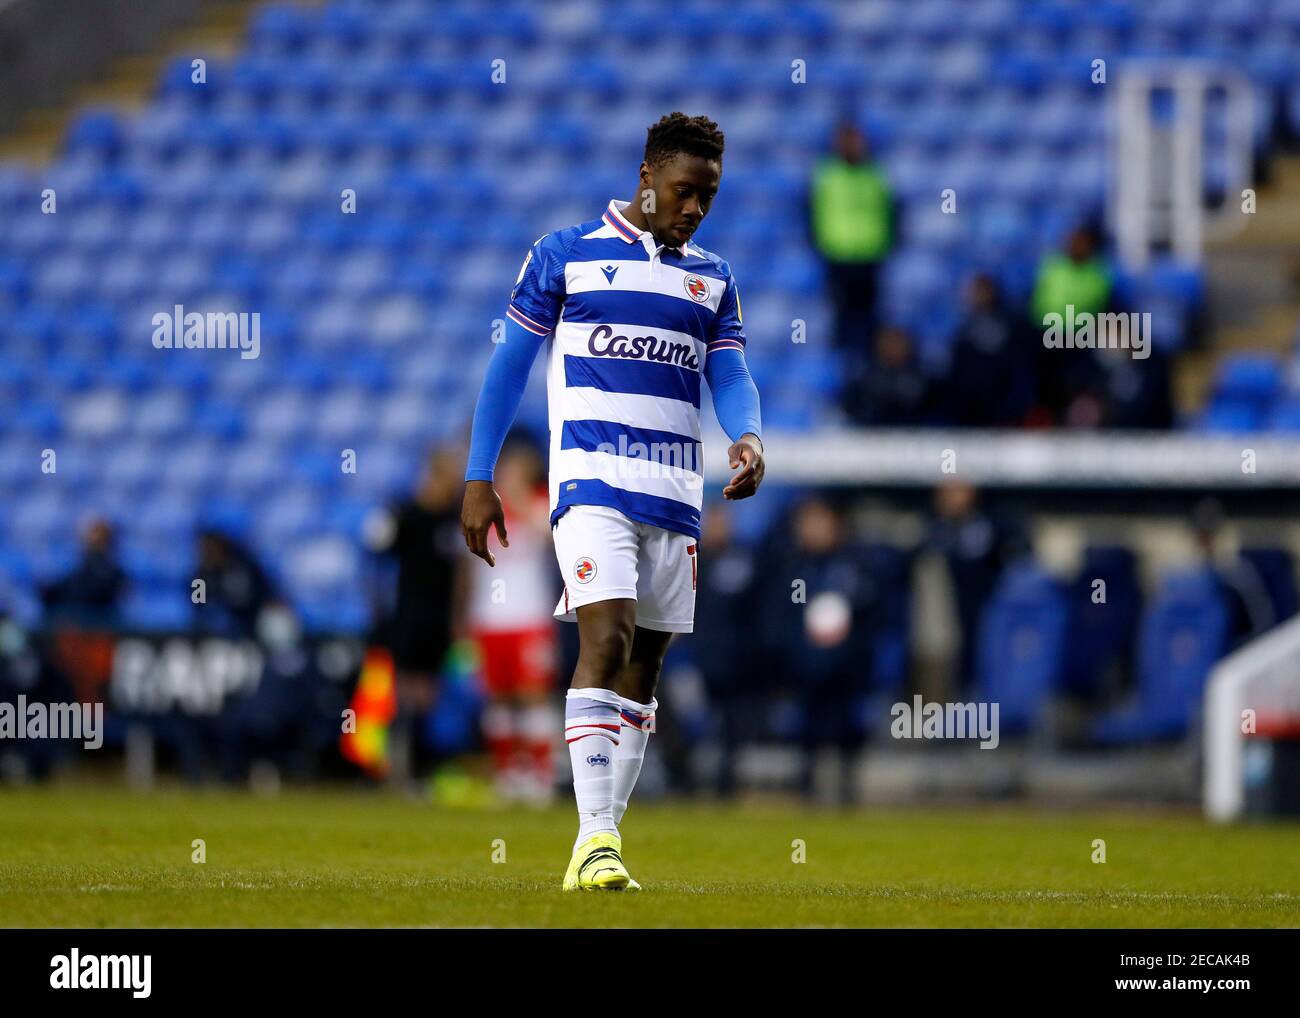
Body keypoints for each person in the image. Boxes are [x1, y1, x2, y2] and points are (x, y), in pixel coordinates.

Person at [461, 112, 765, 891]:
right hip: (593, 485)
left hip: (675, 492)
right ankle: (595, 838)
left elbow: (728, 373)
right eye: (685, 190)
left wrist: (749, 436)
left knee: (644, 666)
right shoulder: (565, 255)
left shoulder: (714, 278)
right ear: (647, 179)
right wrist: (478, 474)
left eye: (710, 195)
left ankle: (601, 843)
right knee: (607, 636)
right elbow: (509, 365)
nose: (696, 207)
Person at [464, 436, 561, 805]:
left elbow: (549, 535)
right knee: (499, 699)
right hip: (489, 619)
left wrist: (515, 496)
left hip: (529, 617)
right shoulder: (483, 510)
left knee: (532, 696)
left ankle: (541, 775)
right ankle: (509, 773)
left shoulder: (540, 503)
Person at [365, 446, 467, 787]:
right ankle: (396, 764)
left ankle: (417, 768)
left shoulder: (453, 518)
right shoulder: (405, 515)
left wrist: (458, 616)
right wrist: (378, 611)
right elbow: (376, 560)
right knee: (404, 691)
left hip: (438, 620)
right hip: (409, 615)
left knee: (428, 694)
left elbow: (461, 573)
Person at [809, 119, 895, 357]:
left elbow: (891, 211)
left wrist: (889, 243)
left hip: (870, 254)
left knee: (870, 316)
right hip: (838, 255)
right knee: (842, 316)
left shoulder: (875, 174)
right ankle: (845, 364)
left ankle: (869, 360)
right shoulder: (827, 175)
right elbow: (811, 213)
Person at [945, 273, 1035, 427]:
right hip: (969, 414)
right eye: (976, 291)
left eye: (983, 291)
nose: (978, 296)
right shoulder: (964, 330)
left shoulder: (1012, 326)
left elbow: (1020, 371)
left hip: (1005, 414)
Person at [40, 518, 126, 626]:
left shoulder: (114, 573)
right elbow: (50, 593)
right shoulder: (76, 570)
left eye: (99, 539)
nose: (92, 543)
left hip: (100, 627)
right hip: (73, 625)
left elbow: (100, 592)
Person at [194, 529, 272, 637]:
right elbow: (198, 603)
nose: (206, 553)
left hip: (249, 623)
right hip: (215, 627)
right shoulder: (200, 576)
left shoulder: (243, 569)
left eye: (210, 548)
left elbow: (247, 599)